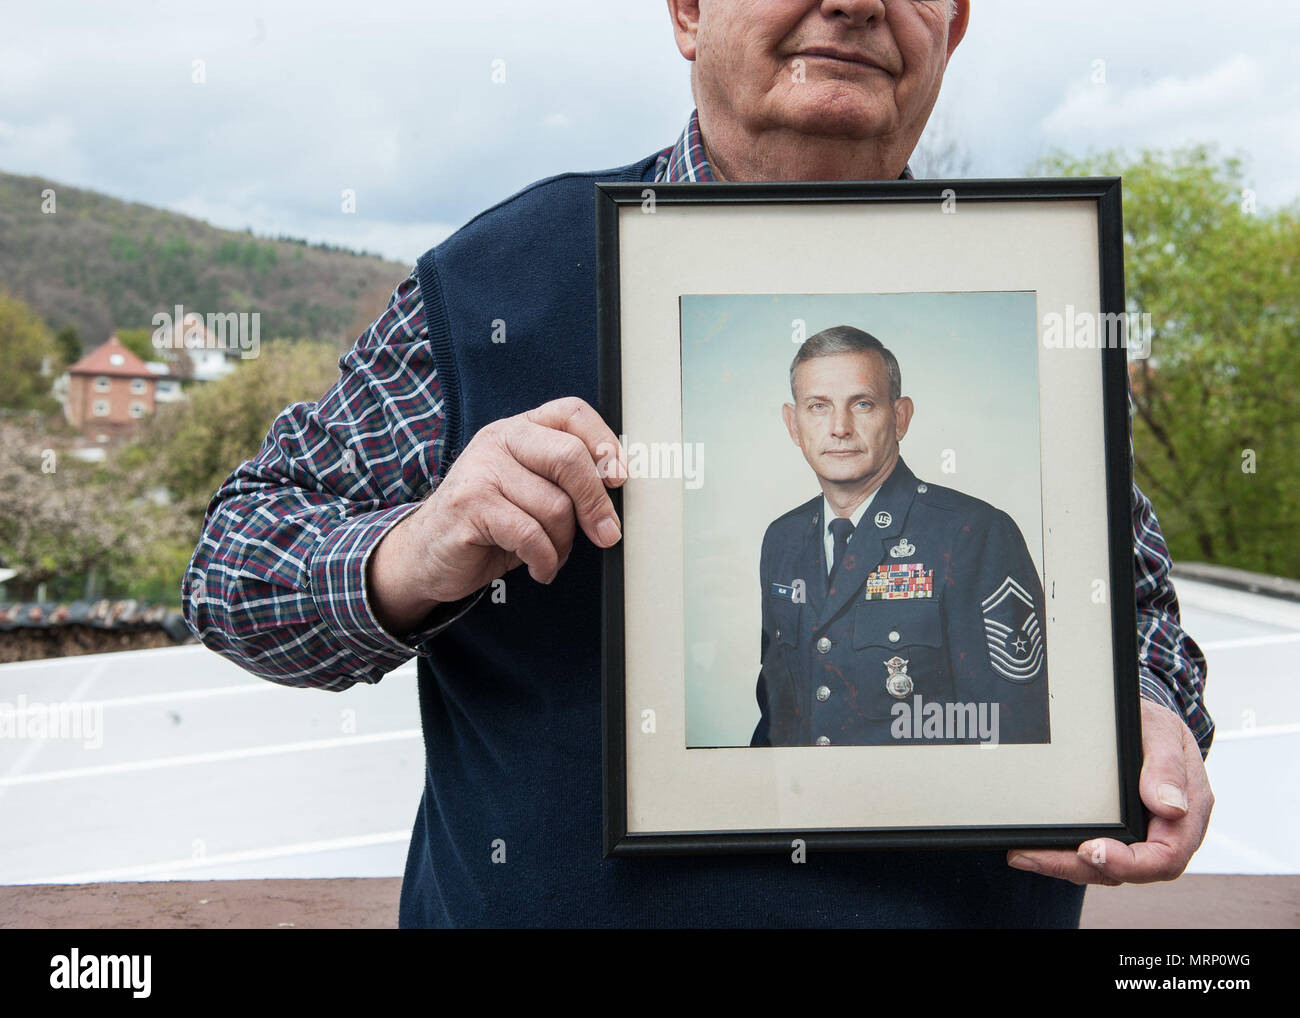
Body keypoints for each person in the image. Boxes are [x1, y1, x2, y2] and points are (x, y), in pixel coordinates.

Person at [182, 0, 1213, 927]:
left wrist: (1153, 713)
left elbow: (1132, 605)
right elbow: (230, 571)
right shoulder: (498, 283)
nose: (852, 5)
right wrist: (414, 549)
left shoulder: (1028, 275)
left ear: (951, 25)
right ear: (686, 12)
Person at [751, 325, 1050, 748]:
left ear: (900, 416)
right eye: (818, 406)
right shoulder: (782, 540)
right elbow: (775, 722)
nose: (839, 427)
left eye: (863, 404)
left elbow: (1012, 729)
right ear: (793, 424)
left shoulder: (972, 533)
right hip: (801, 810)